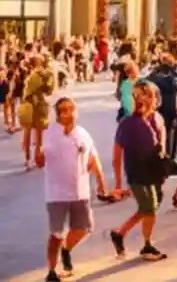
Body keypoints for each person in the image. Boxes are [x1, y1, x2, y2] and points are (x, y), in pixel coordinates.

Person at [37, 97, 108, 281]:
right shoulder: (50, 134)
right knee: (56, 234)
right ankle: (52, 271)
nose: (70, 113)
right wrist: (38, 146)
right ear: (58, 114)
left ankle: (66, 250)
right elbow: (40, 161)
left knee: (84, 228)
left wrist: (101, 181)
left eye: (72, 108)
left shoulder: (83, 133)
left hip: (80, 191)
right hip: (57, 194)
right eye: (64, 110)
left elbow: (93, 157)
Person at [109, 81, 170, 262]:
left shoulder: (158, 118)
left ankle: (120, 233)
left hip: (155, 171)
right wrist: (119, 184)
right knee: (149, 208)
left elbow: (162, 144)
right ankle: (147, 245)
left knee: (149, 207)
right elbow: (117, 154)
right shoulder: (128, 123)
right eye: (142, 95)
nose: (147, 99)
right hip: (137, 172)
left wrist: (164, 169)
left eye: (150, 95)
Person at [21, 54, 55, 170]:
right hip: (33, 105)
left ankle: (34, 158)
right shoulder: (34, 74)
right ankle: (31, 158)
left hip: (35, 105)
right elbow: (48, 90)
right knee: (31, 133)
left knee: (35, 133)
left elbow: (48, 90)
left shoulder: (39, 74)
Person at [147, 53, 177, 156]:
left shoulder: (156, 76)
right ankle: (168, 154)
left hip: (161, 107)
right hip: (169, 107)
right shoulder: (174, 76)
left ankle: (164, 153)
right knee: (168, 131)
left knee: (161, 131)